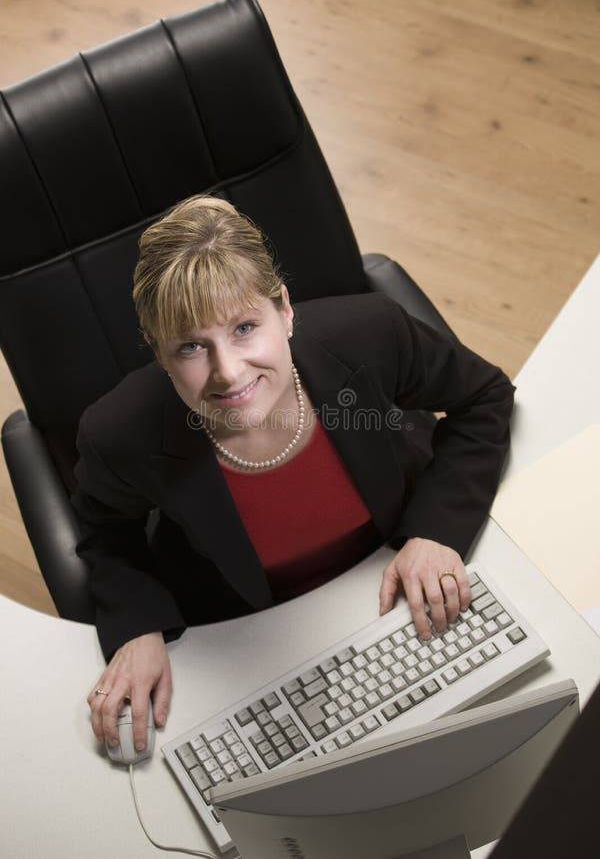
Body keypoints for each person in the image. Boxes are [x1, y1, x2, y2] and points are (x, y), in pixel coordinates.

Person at [72, 195, 514, 755]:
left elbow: (484, 397)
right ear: (159, 356)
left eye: (244, 327)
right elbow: (106, 531)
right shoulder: (119, 433)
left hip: (396, 591)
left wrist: (436, 529)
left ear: (284, 309)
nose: (228, 372)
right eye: (190, 346)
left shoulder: (369, 334)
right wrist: (138, 624)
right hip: (253, 637)